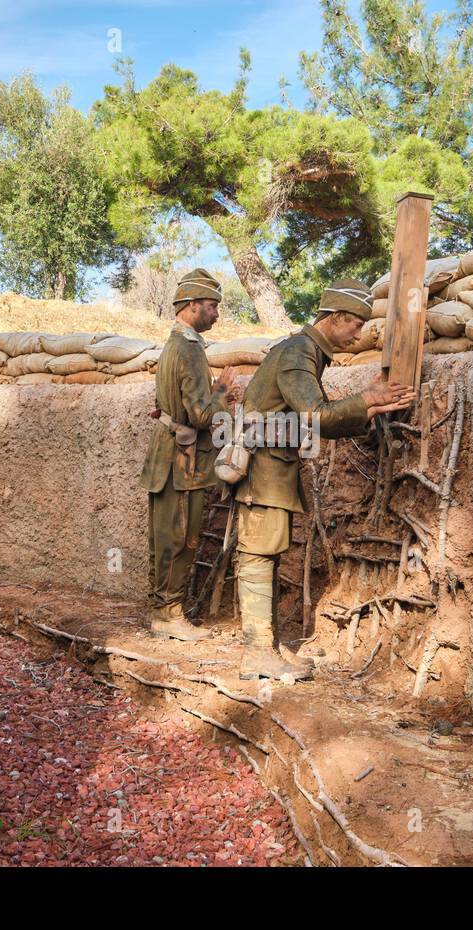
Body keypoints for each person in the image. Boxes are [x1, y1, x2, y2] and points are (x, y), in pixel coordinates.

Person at [233, 278, 415, 680]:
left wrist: (365, 405)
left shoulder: (304, 351)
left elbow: (312, 418)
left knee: (268, 551)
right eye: (355, 325)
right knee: (258, 553)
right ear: (335, 318)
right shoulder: (300, 350)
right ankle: (257, 653)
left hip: (274, 465)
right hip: (264, 467)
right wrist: (367, 401)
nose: (359, 334)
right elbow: (315, 415)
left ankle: (270, 647)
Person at [139, 268, 237, 641]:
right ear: (192, 305)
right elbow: (201, 416)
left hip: (169, 459)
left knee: (166, 537)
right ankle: (169, 615)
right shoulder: (191, 349)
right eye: (212, 306)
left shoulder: (172, 345)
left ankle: (161, 611)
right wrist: (222, 393)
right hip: (183, 463)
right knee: (181, 538)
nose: (216, 314)